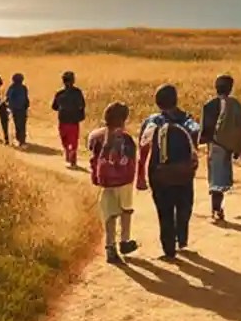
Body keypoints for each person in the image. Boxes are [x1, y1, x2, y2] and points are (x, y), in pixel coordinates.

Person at [137, 84, 201, 261]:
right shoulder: (188, 121)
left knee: (164, 211)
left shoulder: (152, 122)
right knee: (184, 206)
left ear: (157, 102)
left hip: (159, 173)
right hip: (183, 173)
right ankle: (182, 237)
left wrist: (140, 173)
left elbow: (143, 147)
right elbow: (197, 134)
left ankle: (169, 248)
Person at [88, 102, 140, 264]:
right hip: (124, 181)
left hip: (106, 182)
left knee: (110, 214)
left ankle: (110, 246)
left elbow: (92, 154)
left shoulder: (96, 136)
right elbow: (132, 158)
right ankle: (125, 240)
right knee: (126, 210)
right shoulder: (126, 138)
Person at [200, 74, 241, 223]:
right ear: (231, 88)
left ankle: (216, 210)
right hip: (229, 146)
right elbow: (240, 128)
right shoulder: (237, 105)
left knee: (216, 179)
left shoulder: (210, 104)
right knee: (222, 178)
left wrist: (203, 142)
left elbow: (205, 128)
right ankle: (218, 209)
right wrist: (238, 148)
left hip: (215, 145)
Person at [51, 71, 87, 169]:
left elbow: (54, 107)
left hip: (63, 120)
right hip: (74, 121)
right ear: (73, 81)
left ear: (63, 81)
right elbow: (82, 105)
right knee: (74, 140)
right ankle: (73, 159)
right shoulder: (77, 92)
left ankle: (67, 152)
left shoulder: (59, 93)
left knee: (64, 139)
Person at [5, 72, 30, 147]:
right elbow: (26, 99)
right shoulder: (23, 88)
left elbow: (8, 98)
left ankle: (19, 139)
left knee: (17, 125)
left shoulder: (12, 88)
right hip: (21, 109)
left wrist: (9, 107)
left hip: (16, 109)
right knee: (22, 125)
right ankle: (22, 140)